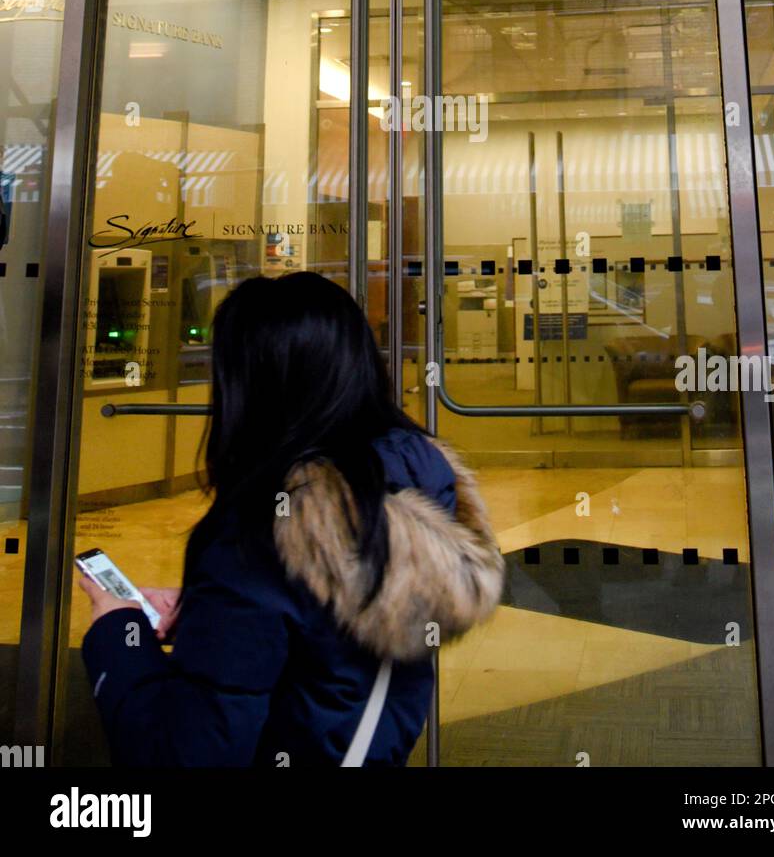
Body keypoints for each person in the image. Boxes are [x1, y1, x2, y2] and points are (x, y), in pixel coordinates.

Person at [79, 271, 504, 767]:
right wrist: (205, 615)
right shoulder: (413, 486)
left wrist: (118, 635)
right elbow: (330, 644)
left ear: (247, 387)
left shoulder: (263, 533)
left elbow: (187, 754)